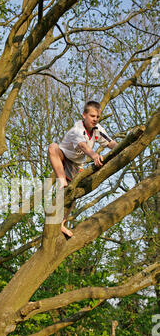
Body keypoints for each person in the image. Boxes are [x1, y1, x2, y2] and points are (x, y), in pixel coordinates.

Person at [48, 101, 117, 237]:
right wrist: (94, 155)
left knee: (71, 195)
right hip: (64, 157)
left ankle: (62, 224)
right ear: (84, 115)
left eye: (97, 117)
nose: (95, 119)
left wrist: (124, 146)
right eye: (92, 116)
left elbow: (111, 143)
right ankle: (62, 180)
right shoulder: (77, 129)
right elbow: (83, 145)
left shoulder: (98, 129)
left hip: (77, 165)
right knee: (53, 147)